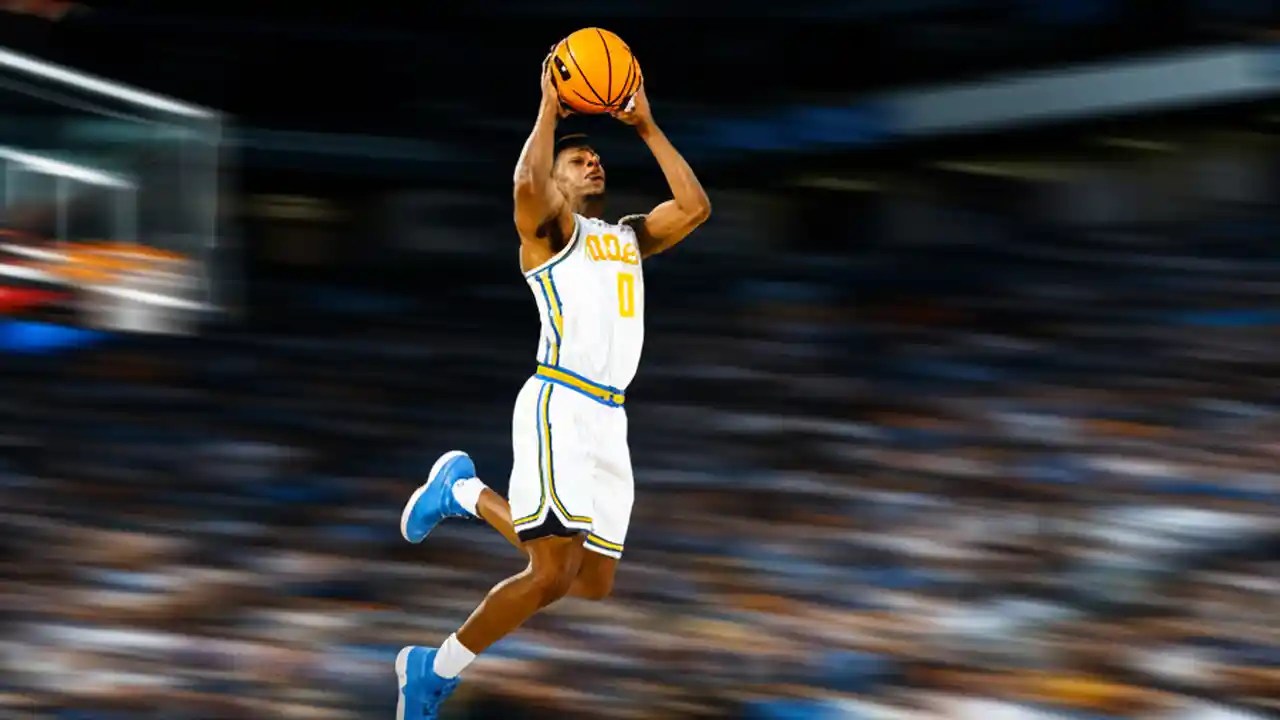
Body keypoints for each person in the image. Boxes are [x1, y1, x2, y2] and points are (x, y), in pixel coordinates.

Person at [393, 54, 711, 719]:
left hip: (610, 417)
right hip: (559, 404)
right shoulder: (547, 233)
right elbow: (524, 180)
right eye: (577, 159)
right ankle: (433, 670)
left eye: (597, 157)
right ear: (558, 179)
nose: (592, 163)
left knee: (591, 582)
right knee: (548, 573)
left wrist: (647, 124)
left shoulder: (626, 236)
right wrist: (549, 106)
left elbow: (695, 206)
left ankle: (462, 490)